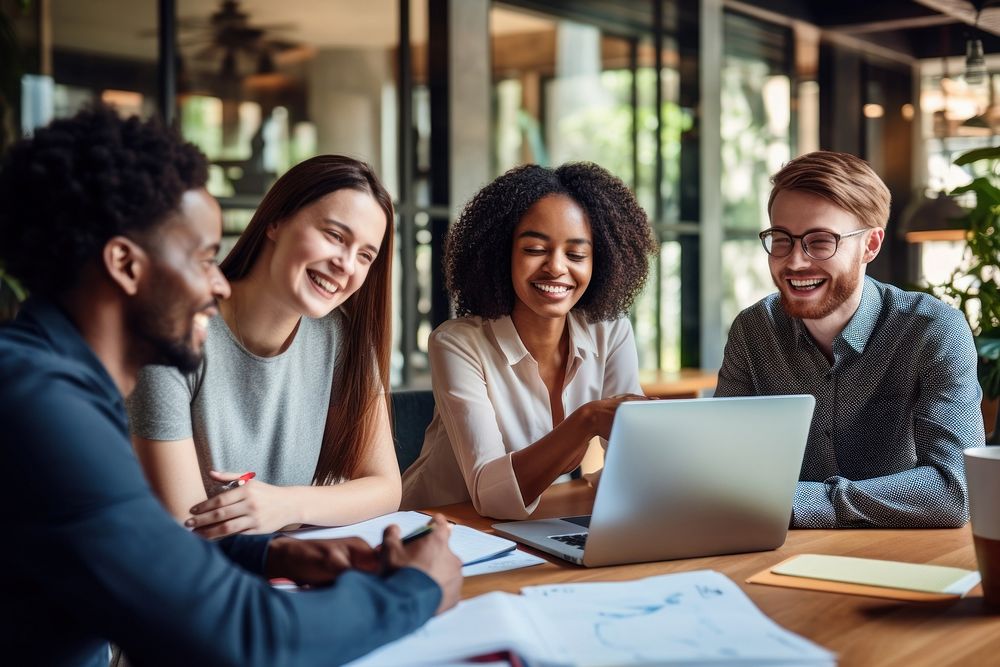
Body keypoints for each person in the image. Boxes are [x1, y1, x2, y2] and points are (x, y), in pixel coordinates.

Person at [0, 106, 461, 665]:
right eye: (201, 258)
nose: (217, 280)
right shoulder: (40, 406)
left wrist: (278, 555)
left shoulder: (53, 383)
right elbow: (239, 633)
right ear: (125, 264)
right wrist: (418, 590)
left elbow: (154, 548)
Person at [127, 154, 401, 539]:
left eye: (365, 255)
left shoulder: (340, 337)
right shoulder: (173, 335)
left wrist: (287, 504)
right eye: (335, 236)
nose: (346, 265)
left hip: (283, 569)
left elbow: (386, 487)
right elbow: (185, 527)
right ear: (276, 221)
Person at [714, 150, 985, 529]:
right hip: (780, 551)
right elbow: (719, 468)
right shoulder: (753, 330)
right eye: (781, 239)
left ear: (870, 245)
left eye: (820, 241)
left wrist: (797, 501)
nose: (794, 262)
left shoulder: (933, 329)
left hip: (902, 554)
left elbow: (954, 490)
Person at [401, 163, 658, 519]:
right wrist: (586, 420)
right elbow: (491, 495)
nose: (556, 267)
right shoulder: (457, 344)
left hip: (536, 523)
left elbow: (632, 453)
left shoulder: (610, 331)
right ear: (501, 254)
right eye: (535, 249)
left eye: (576, 254)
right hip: (441, 525)